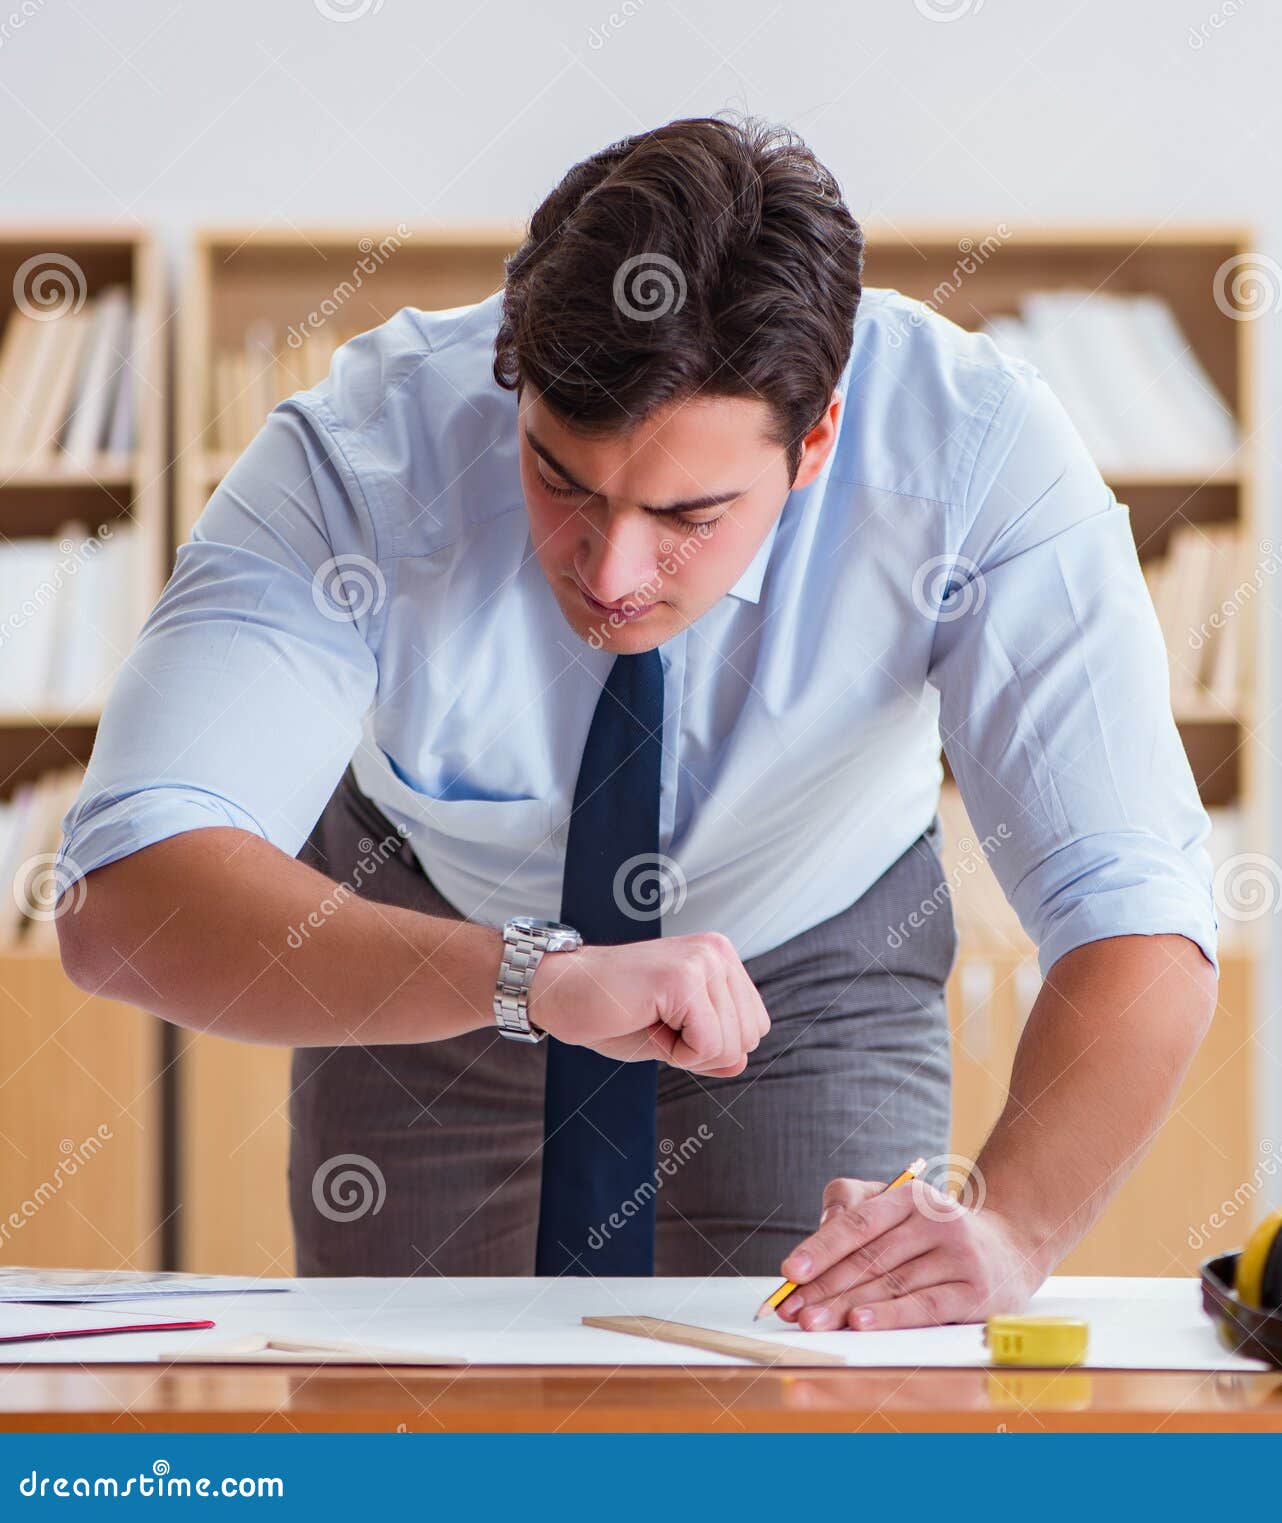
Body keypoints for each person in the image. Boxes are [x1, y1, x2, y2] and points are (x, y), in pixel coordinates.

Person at [56, 115, 1217, 1332]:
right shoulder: (362, 457)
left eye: (690, 512)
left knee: (808, 1410)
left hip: (812, 965)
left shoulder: (976, 456)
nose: (611, 573)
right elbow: (122, 892)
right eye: (562, 480)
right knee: (413, 1419)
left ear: (814, 439)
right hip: (439, 954)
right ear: (512, 372)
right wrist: (534, 976)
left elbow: (1133, 902)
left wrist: (1012, 1227)